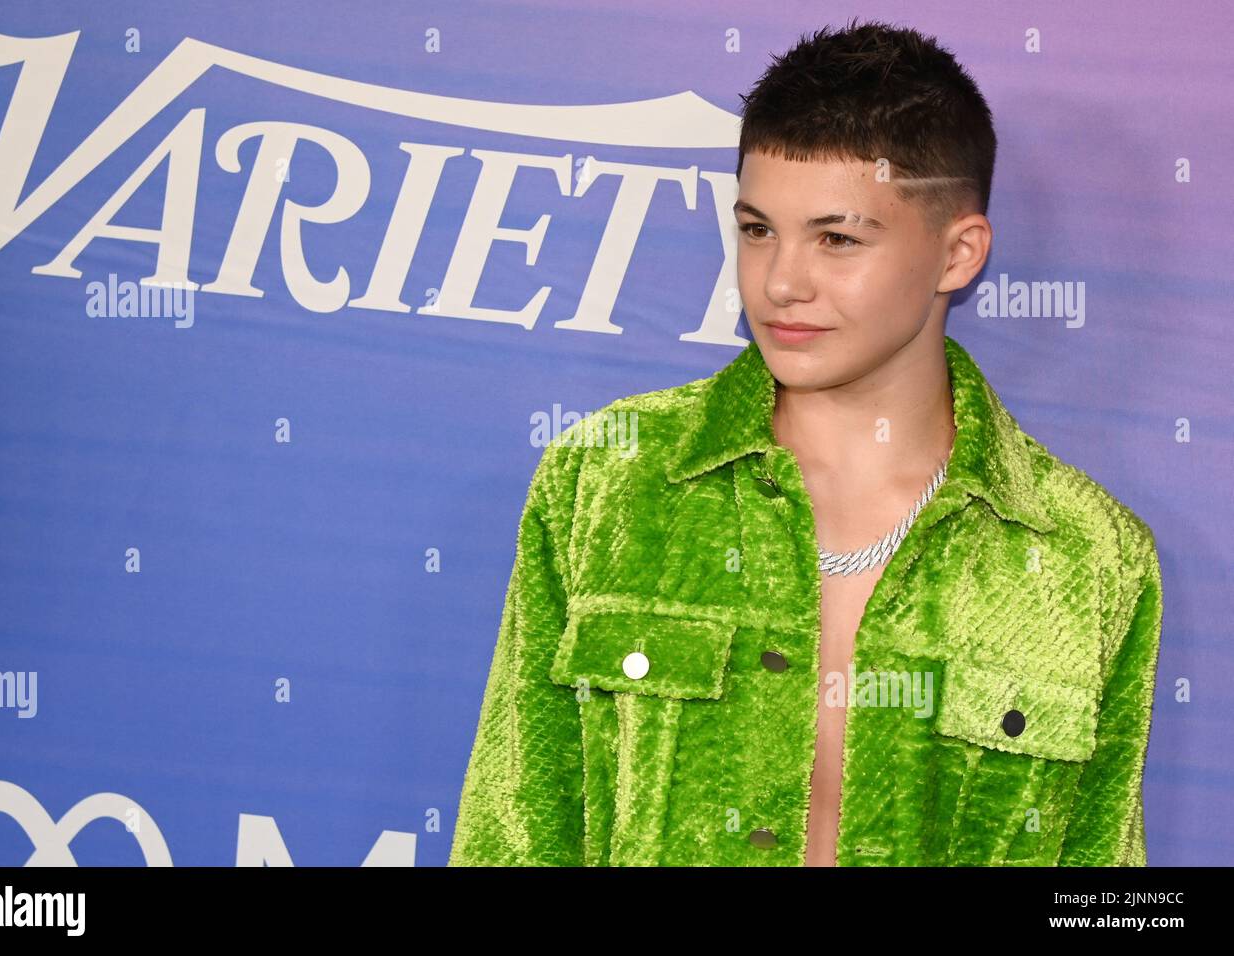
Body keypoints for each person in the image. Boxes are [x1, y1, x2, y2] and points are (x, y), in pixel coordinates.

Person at [448, 18, 1164, 867]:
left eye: (837, 239)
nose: (781, 281)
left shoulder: (1089, 557)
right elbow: (513, 833)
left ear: (958, 254)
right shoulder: (605, 483)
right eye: (757, 229)